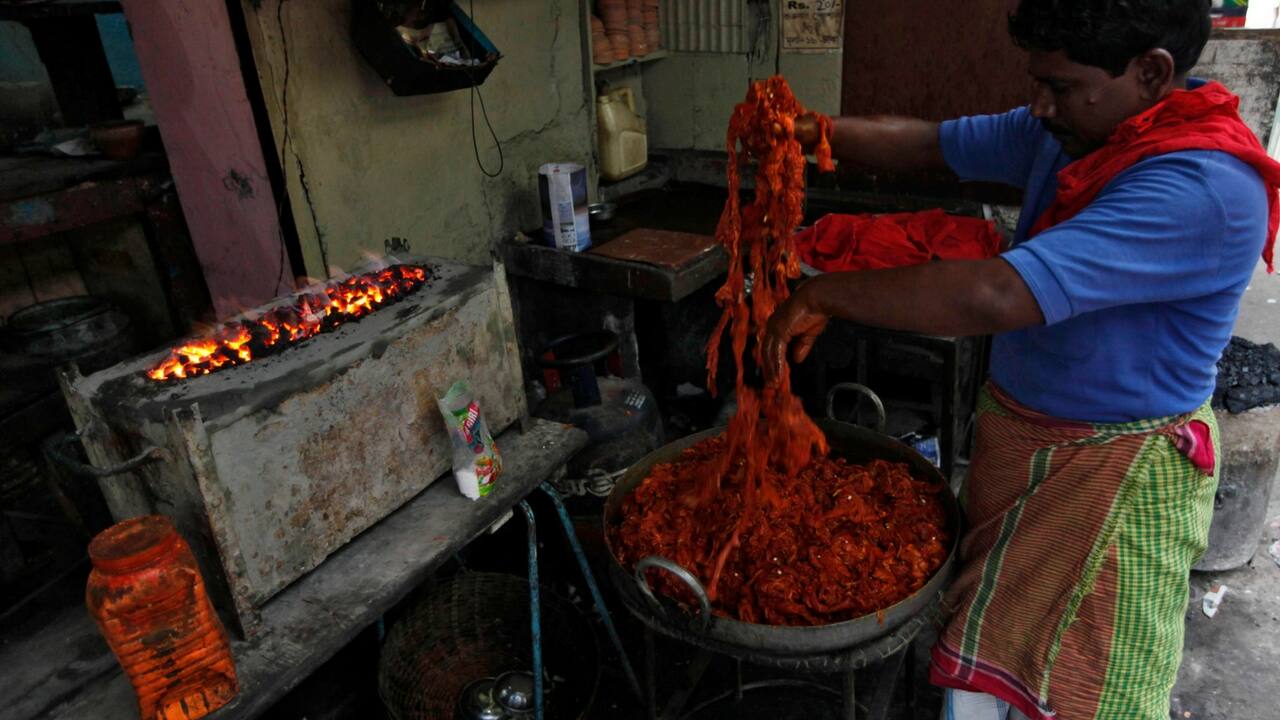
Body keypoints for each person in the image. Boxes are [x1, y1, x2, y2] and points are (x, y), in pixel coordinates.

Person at [767, 1, 1280, 719]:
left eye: (1062, 86)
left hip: (1114, 486)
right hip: (1023, 452)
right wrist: (810, 134)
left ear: (1152, 72)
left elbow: (995, 293)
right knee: (985, 680)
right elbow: (929, 145)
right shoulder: (1072, 130)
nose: (1038, 104)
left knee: (1086, 691)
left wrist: (827, 296)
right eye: (1037, 81)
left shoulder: (1203, 188)